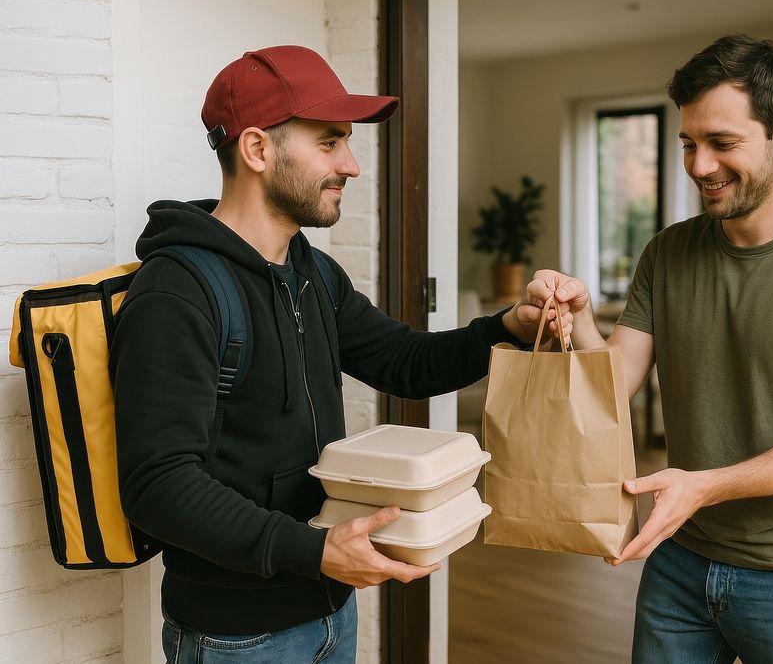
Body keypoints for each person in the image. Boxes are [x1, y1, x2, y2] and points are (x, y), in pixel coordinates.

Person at [110, 45, 560, 663]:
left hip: (328, 611)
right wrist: (316, 551)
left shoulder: (312, 273)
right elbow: (158, 485)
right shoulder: (176, 293)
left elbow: (404, 362)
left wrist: (509, 325)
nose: (350, 165)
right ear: (258, 150)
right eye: (329, 142)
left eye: (347, 142)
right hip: (235, 635)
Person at [526, 34, 773, 662]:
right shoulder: (668, 251)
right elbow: (614, 387)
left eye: (723, 144)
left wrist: (706, 486)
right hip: (679, 560)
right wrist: (581, 323)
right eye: (689, 144)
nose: (700, 166)